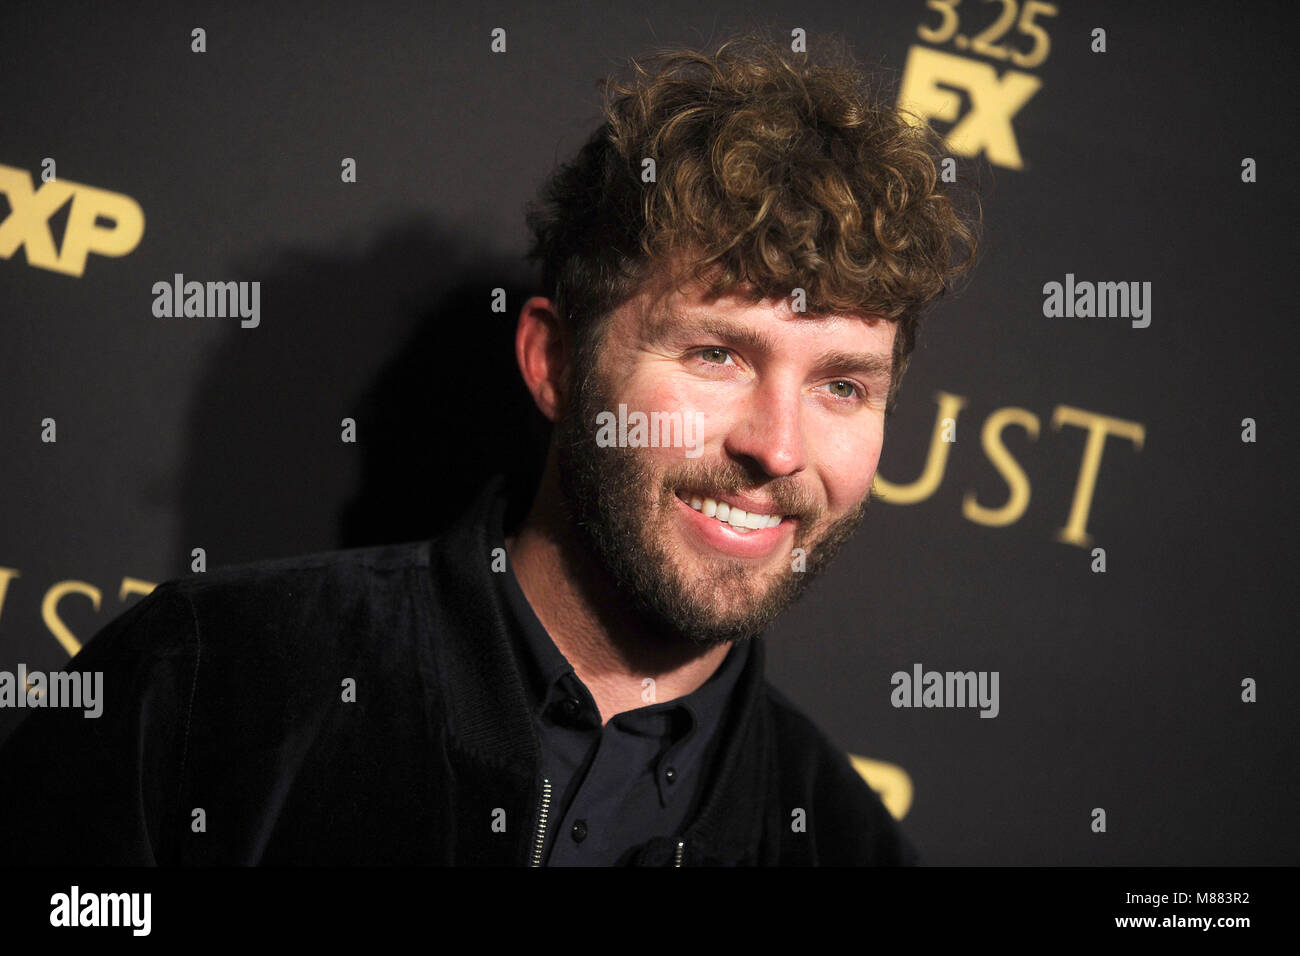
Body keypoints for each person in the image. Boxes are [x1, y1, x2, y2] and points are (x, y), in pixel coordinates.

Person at [0, 31, 977, 865]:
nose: (776, 446)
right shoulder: (208, 683)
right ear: (553, 361)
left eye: (841, 383)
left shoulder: (847, 844)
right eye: (715, 354)